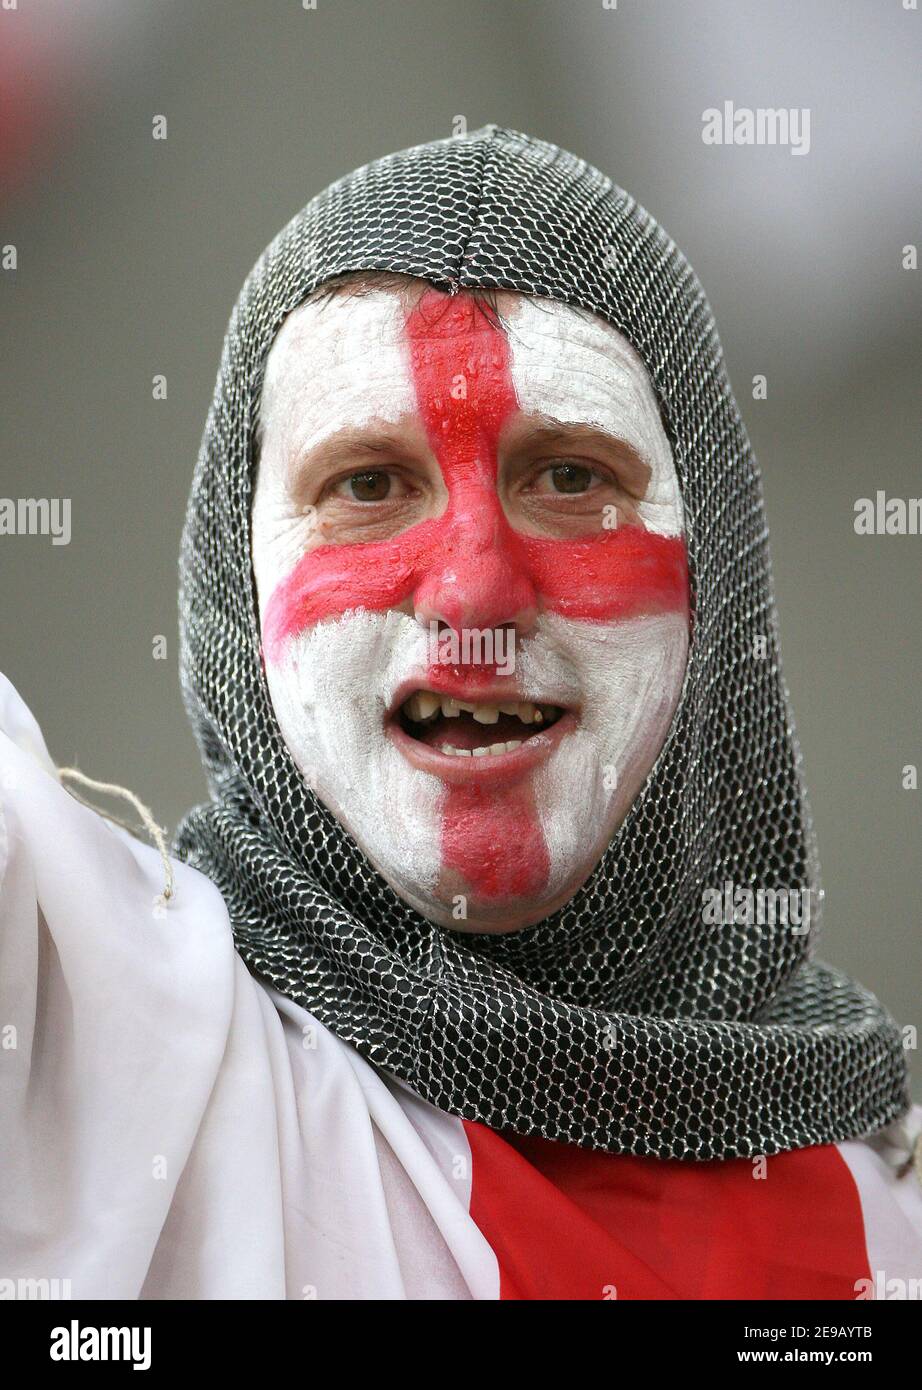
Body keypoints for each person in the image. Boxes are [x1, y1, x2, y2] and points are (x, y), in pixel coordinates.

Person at [1, 126, 919, 1301]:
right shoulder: (103, 1042)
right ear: (235, 589)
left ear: (717, 574)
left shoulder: (883, 1206)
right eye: (369, 485)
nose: (474, 590)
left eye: (571, 476)